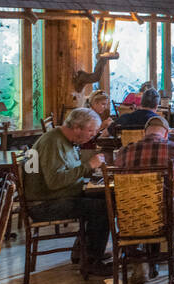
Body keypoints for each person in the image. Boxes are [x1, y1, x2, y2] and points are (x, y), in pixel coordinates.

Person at [24, 108, 110, 274]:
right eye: (90, 131)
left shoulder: (65, 140)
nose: (93, 135)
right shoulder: (53, 143)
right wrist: (88, 166)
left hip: (55, 197)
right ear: (77, 128)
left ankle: (84, 252)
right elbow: (54, 182)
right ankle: (92, 262)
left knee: (104, 196)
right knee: (104, 208)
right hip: (44, 204)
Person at [113, 116, 174, 183]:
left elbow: (116, 177)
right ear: (166, 134)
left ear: (144, 133)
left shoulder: (124, 151)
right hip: (170, 205)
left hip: (131, 204)